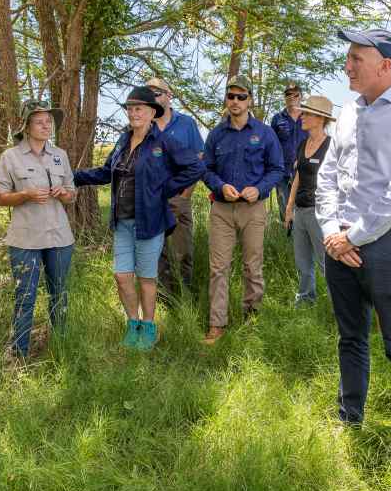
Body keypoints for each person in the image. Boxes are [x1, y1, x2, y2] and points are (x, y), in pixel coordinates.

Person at [315, 28, 391, 448]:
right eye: (347, 57)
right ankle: (349, 417)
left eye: (356, 58)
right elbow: (328, 176)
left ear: (385, 65)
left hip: (388, 244)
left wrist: (355, 236)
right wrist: (332, 232)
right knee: (350, 337)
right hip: (340, 243)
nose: (347, 66)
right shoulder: (348, 112)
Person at [73, 87, 204, 350]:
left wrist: (166, 188)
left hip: (150, 222)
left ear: (152, 112)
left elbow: (196, 166)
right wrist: (73, 176)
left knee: (146, 278)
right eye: (130, 109)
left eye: (139, 109)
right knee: (122, 276)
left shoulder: (163, 142)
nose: (134, 113)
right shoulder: (123, 141)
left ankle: (149, 327)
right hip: (122, 222)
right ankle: (133, 324)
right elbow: (105, 172)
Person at [201, 75, 284, 344]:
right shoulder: (216, 134)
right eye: (231, 96)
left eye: (241, 96)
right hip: (222, 210)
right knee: (218, 268)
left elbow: (277, 169)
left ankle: (252, 320)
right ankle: (217, 325)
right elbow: (206, 169)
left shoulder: (265, 133)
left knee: (252, 266)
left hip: (253, 209)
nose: (235, 101)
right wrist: (220, 185)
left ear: (250, 100)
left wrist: (258, 189)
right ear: (226, 99)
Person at [0, 99, 76, 359]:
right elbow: (0, 197)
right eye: (39, 122)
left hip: (60, 237)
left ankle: (61, 348)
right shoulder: (10, 157)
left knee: (59, 294)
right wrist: (26, 195)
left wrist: (64, 193)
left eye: (48, 121)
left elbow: (72, 194)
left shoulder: (60, 155)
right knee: (25, 296)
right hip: (25, 239)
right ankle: (19, 354)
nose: (46, 125)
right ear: (26, 127)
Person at [145, 77, 205, 296]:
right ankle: (164, 298)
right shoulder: (144, 124)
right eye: (148, 93)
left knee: (183, 250)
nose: (152, 97)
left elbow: (199, 157)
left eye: (157, 93)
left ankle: (185, 296)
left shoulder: (186, 123)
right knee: (156, 252)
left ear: (169, 96)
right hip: (152, 199)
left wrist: (186, 193)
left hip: (179, 196)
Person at [283, 95, 335, 306]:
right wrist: (289, 207)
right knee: (303, 262)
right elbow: (298, 175)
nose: (301, 116)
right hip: (300, 211)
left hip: (321, 212)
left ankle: (339, 307)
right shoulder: (303, 143)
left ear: (320, 118)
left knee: (326, 262)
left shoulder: (332, 146)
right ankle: (305, 300)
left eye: (306, 113)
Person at [271, 81, 307, 227]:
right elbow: (271, 145)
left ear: (301, 96)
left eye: (295, 94)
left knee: (305, 209)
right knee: (285, 210)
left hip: (305, 171)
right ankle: (288, 237)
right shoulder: (277, 119)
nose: (292, 97)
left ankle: (303, 236)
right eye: (288, 94)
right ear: (284, 97)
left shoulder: (309, 116)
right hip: (282, 172)